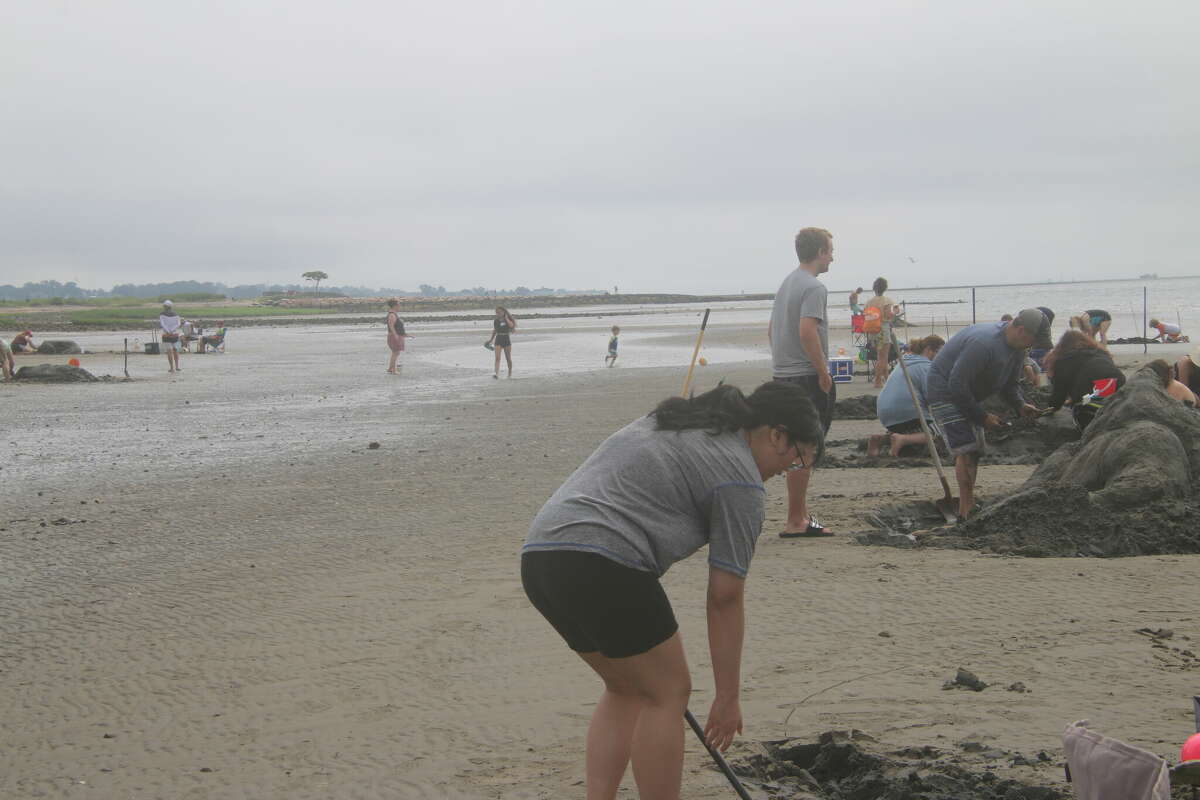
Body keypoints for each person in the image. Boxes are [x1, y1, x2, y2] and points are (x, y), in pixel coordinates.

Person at [522, 381, 824, 800]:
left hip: (541, 558)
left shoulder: (678, 421)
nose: (784, 472)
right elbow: (724, 596)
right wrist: (727, 697)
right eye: (795, 459)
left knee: (627, 688)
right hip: (603, 559)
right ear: (777, 434)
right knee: (668, 694)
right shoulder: (741, 481)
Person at [925, 309, 1043, 519]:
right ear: (1021, 330)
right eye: (1032, 341)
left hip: (967, 393)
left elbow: (1010, 384)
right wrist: (982, 417)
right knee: (967, 448)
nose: (1031, 347)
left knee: (976, 450)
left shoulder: (1017, 350)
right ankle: (965, 510)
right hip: (944, 391)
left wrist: (1020, 405)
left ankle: (967, 505)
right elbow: (956, 384)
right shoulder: (984, 344)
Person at [768, 226, 834, 537]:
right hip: (803, 377)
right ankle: (796, 520)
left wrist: (782, 363)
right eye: (830, 250)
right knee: (805, 447)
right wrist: (822, 371)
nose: (833, 257)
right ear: (820, 252)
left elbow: (772, 331)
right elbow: (807, 331)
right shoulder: (813, 287)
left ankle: (801, 515)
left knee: (795, 445)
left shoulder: (787, 283)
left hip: (782, 374)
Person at [867, 335, 945, 457]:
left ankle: (882, 440)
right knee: (940, 430)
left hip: (884, 413)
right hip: (908, 412)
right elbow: (933, 398)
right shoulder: (926, 367)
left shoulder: (904, 362)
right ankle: (903, 439)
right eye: (939, 353)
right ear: (929, 350)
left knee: (905, 429)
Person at [1042, 330, 1125, 429]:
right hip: (1118, 382)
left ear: (1062, 346)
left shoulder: (1064, 360)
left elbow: (1060, 391)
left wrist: (1052, 407)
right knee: (1103, 400)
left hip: (1093, 390)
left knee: (1082, 406)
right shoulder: (1101, 352)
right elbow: (1104, 373)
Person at [863, 277, 900, 388]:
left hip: (872, 331)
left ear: (874, 288)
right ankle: (878, 380)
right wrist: (896, 311)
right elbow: (891, 314)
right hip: (883, 329)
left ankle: (887, 379)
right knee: (883, 357)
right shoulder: (887, 301)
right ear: (885, 288)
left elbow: (864, 315)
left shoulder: (869, 302)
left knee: (881, 356)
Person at [486, 306, 516, 379]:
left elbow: (511, 326)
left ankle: (509, 373)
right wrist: (490, 340)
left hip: (506, 339)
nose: (498, 314)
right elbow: (495, 330)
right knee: (497, 358)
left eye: (499, 312)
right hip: (498, 339)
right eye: (497, 312)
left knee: (508, 358)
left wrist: (506, 318)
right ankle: (496, 374)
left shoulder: (507, 319)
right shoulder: (496, 321)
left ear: (504, 312)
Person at [386, 299, 411, 375]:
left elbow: (397, 327)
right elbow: (391, 326)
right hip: (393, 336)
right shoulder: (392, 314)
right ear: (394, 306)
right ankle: (394, 370)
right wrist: (396, 335)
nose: (400, 306)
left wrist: (405, 334)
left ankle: (390, 368)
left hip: (396, 335)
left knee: (395, 352)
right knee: (396, 353)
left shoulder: (394, 314)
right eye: (398, 305)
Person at [159, 301, 182, 373]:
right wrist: (172, 331)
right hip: (175, 334)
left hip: (166, 335)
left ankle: (172, 368)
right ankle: (177, 367)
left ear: (165, 307)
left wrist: (168, 331)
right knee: (176, 350)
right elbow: (178, 324)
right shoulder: (176, 315)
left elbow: (162, 324)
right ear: (171, 307)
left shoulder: (161, 315)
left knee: (169, 351)